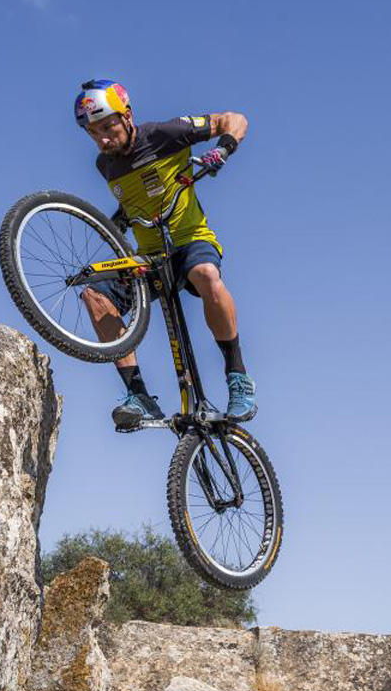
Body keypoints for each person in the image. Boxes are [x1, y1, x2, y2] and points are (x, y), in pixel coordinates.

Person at [74, 78, 255, 431]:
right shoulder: (105, 165)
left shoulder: (165, 134)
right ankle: (137, 394)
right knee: (93, 294)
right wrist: (122, 217)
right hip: (150, 257)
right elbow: (137, 196)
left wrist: (224, 148)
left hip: (190, 241)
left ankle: (237, 375)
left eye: (108, 127)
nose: (103, 139)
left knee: (205, 275)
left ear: (127, 116)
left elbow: (236, 119)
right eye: (94, 134)